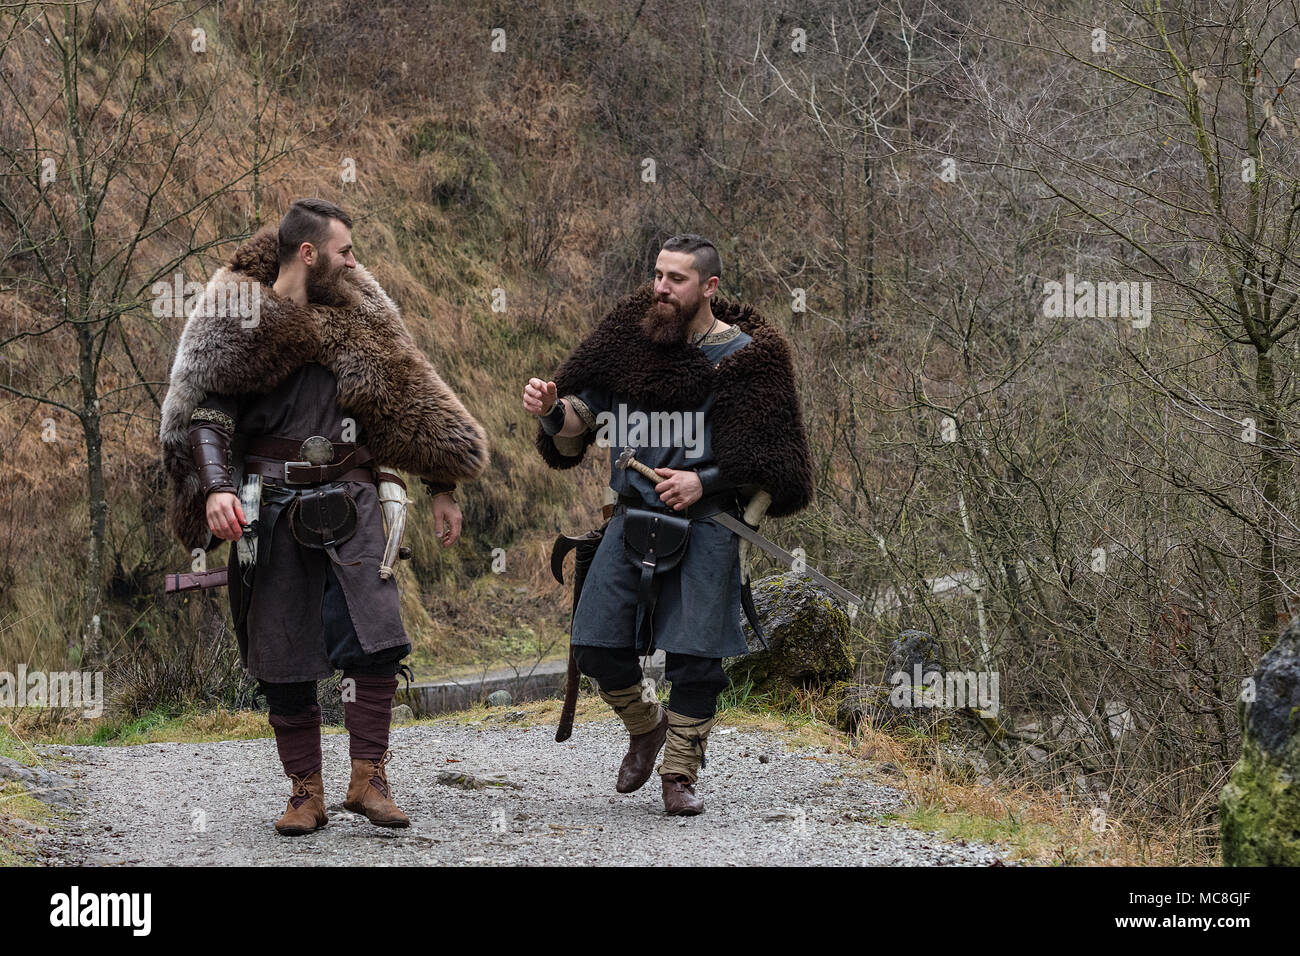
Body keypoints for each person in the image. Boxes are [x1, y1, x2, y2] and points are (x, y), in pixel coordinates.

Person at [160, 199, 488, 835]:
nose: (355, 262)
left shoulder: (360, 315)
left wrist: (443, 483)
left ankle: (368, 778)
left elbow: (407, 399)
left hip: (354, 493)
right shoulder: (239, 318)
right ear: (308, 254)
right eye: (345, 251)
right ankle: (304, 793)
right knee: (281, 649)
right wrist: (215, 489)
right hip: (268, 503)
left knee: (378, 634)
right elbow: (208, 413)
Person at [524, 234, 812, 814]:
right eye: (657, 275)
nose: (660, 288)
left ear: (708, 287)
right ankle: (646, 726)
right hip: (630, 519)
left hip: (708, 524)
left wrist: (703, 481)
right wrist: (554, 409)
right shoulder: (628, 340)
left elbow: (771, 456)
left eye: (675, 279)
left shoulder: (747, 358)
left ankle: (679, 772)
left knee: (696, 658)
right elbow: (583, 414)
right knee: (595, 644)